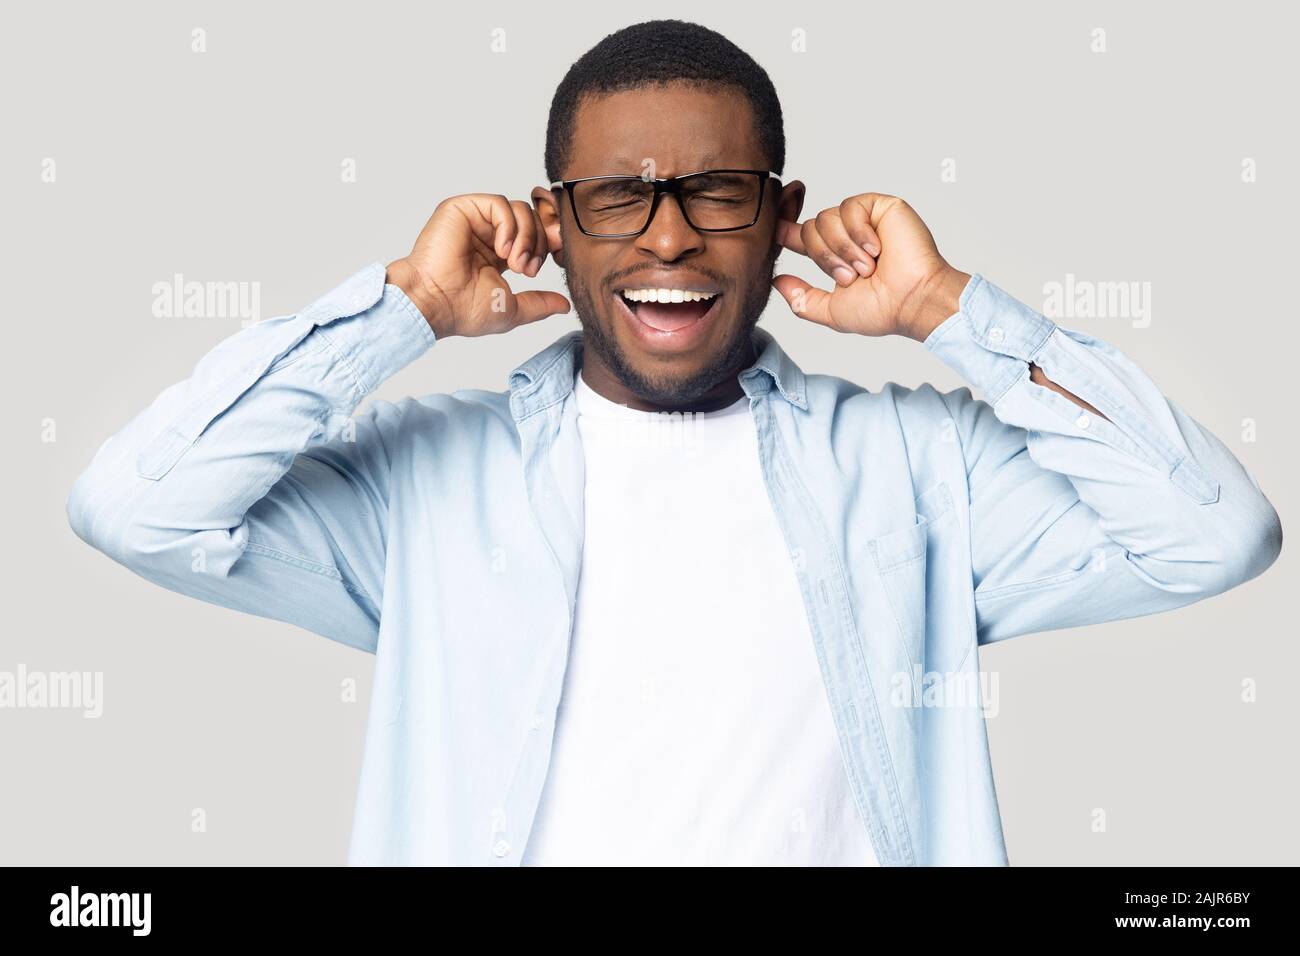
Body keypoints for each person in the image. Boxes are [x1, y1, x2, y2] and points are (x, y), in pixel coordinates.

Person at [66, 19, 1281, 866]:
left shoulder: (921, 471)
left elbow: (1212, 532)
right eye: (615, 197)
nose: (667, 240)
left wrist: (945, 310)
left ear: (781, 216)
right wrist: (404, 311)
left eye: (716, 191)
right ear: (551, 222)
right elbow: (140, 504)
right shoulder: (426, 486)